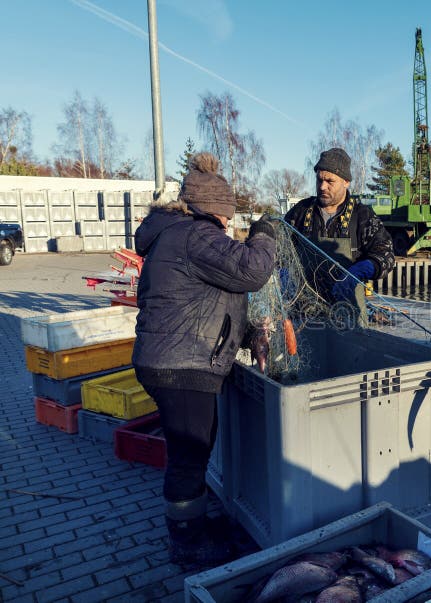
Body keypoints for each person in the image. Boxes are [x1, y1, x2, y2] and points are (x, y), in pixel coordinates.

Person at [133, 153, 277, 565]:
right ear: (214, 212)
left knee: (194, 448)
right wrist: (264, 234)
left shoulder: (178, 235)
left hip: (173, 359)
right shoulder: (196, 235)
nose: (229, 227)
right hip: (180, 365)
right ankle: (186, 542)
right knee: (189, 455)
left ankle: (193, 525)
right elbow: (252, 270)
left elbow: (211, 299)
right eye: (227, 219)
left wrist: (249, 334)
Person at [284, 148, 395, 326]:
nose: (322, 187)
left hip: (348, 316)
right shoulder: (301, 212)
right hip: (305, 315)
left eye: (330, 181)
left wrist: (360, 270)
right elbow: (278, 242)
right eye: (319, 179)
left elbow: (386, 255)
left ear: (346, 182)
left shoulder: (363, 216)